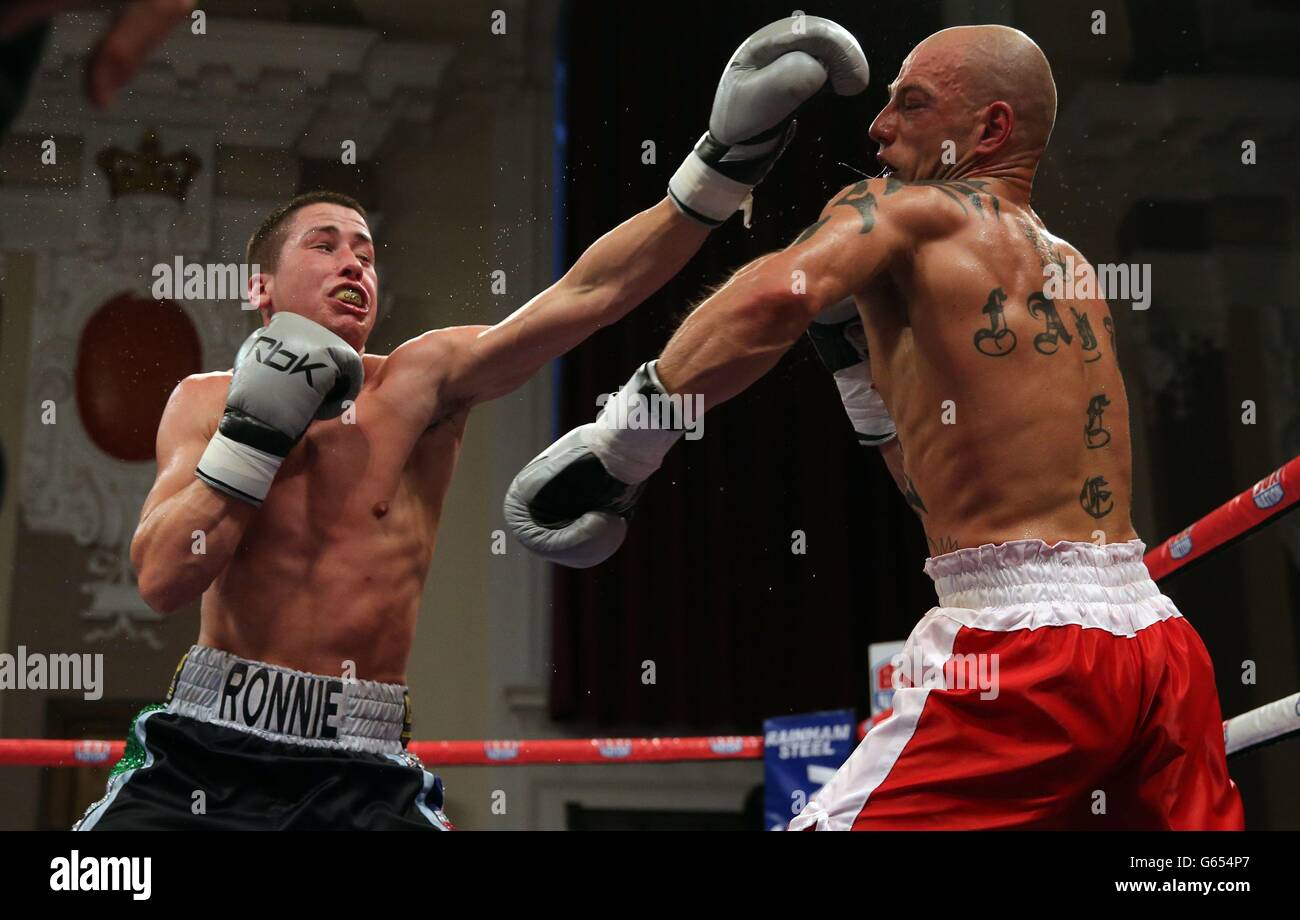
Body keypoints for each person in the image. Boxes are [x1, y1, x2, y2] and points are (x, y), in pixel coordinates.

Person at [72, 16, 869, 830]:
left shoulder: (422, 384)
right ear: (261, 289)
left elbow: (585, 297)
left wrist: (716, 171)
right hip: (206, 746)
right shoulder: (202, 402)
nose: (355, 262)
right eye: (325, 245)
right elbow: (165, 579)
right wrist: (253, 436)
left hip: (359, 767)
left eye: (367, 251)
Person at [505, 25, 1245, 830]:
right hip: (1157, 644)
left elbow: (773, 297)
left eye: (911, 103)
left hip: (1022, 652)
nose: (877, 125)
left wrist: (623, 444)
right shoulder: (1073, 269)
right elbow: (952, 503)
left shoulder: (905, 212)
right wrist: (861, 383)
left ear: (990, 130)